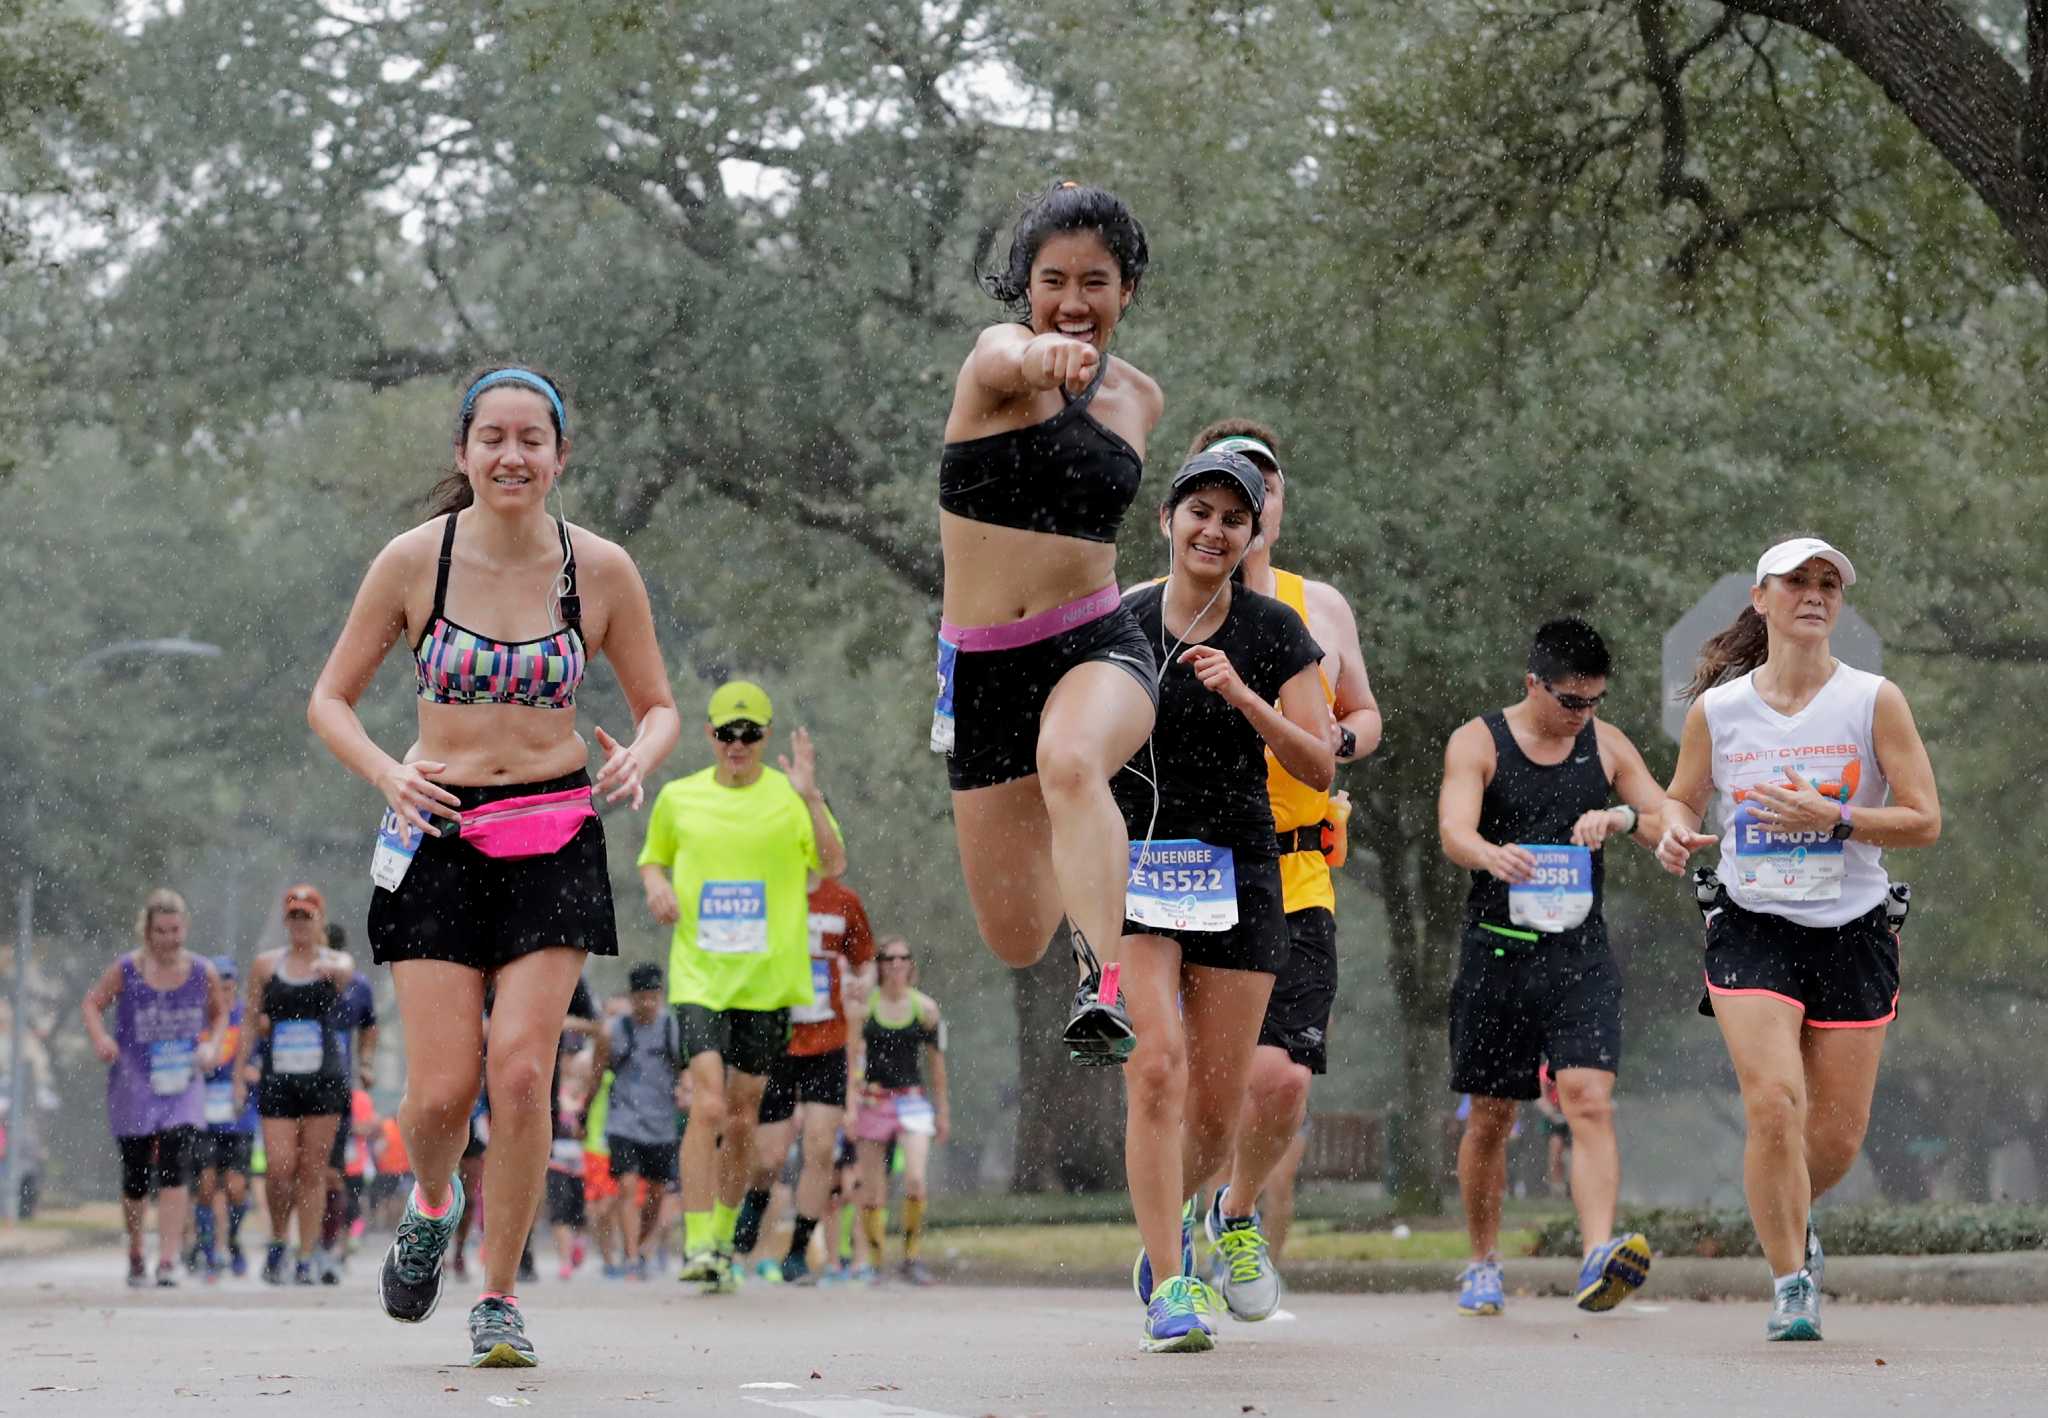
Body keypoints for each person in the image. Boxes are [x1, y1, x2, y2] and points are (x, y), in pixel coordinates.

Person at [308, 362, 681, 1367]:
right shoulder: (411, 562)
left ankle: (501, 1295)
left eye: (532, 439)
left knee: (520, 1073)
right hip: (436, 830)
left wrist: (643, 752)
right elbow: (329, 699)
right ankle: (434, 1202)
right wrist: (390, 772)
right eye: (493, 438)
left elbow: (657, 703)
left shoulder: (597, 570)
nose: (512, 455)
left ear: (560, 456)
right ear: (464, 452)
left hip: (554, 831)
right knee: (438, 1093)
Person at [1656, 537, 1940, 1341]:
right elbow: (1680, 799)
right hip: (1752, 926)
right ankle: (1790, 1282)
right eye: (1797, 582)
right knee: (1775, 1104)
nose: (1814, 594)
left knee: (1837, 1138)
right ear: (1761, 598)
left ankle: (1792, 1218)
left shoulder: (1873, 700)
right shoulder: (1720, 710)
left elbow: (1924, 819)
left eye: (1828, 584)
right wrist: (1675, 832)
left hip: (1853, 929)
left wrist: (1838, 818)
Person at [935, 180, 1164, 1063]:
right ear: (1025, 289)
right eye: (1053, 281)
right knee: (1015, 935)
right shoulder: (993, 366)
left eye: (1096, 282)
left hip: (1096, 642)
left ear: (1127, 290)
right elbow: (1004, 356)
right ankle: (1079, 913)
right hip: (986, 672)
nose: (1074, 303)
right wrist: (1042, 362)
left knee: (1071, 761)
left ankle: (1105, 984)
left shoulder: (1141, 399)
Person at [1112, 451, 1333, 1353]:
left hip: (1240, 872)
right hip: (1137, 867)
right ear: (1166, 518)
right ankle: (1171, 1284)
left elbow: (1319, 765)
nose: (1214, 531)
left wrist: (1244, 696)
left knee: (1214, 1107)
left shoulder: (1275, 628)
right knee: (1154, 1067)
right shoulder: (1116, 622)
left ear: (1251, 536)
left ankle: (1181, 1225)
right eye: (1198, 511)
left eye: (1233, 520)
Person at [1183, 420, 1382, 1323]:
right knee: (1192, 1080)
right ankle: (1175, 1236)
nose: (1248, 502)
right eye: (1227, 486)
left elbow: (1365, 714)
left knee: (1282, 1080)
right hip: (1191, 866)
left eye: (1265, 484)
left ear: (1277, 505)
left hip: (1295, 867)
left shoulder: (1318, 606)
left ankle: (1234, 1214)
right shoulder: (1163, 604)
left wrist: (1335, 738)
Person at [1437, 618, 1668, 1318]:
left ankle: (1598, 1254)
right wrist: (1488, 854)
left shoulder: (1606, 746)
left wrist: (1623, 820)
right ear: (1531, 682)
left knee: (1589, 1100)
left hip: (1579, 953)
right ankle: (1481, 1260)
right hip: (1498, 952)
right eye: (1570, 701)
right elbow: (1453, 829)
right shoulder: (1479, 742)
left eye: (1594, 701)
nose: (1583, 715)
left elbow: (1667, 817)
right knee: (1491, 1117)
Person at [638, 680, 846, 1290]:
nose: (737, 744)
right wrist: (655, 885)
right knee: (706, 1104)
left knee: (742, 1115)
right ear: (708, 735)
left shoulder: (790, 797)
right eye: (727, 733)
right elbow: (654, 856)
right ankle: (698, 1244)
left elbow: (831, 864)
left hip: (767, 984)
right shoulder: (679, 798)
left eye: (749, 733)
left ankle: (724, 1242)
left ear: (765, 736)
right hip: (700, 976)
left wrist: (810, 798)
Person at [80, 888, 226, 1288]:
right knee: (136, 1173)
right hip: (134, 1082)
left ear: (185, 928)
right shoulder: (126, 969)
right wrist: (101, 1040)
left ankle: (167, 1258)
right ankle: (135, 1250)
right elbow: (92, 1002)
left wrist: (212, 1043)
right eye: (161, 930)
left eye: (175, 929)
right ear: (147, 930)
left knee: (175, 1166)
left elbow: (219, 1013)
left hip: (182, 1082)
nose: (169, 938)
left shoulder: (201, 971)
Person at [740, 871, 876, 1284]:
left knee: (819, 1150)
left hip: (827, 1042)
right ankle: (751, 1208)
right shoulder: (766, 889)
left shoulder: (843, 899)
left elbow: (864, 959)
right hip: (777, 1039)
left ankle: (798, 1251)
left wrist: (860, 983)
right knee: (769, 1158)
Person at [236, 885, 357, 1286]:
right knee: (279, 1167)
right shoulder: (266, 966)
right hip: (279, 1078)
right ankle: (276, 1240)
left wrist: (332, 969)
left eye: (308, 916)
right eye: (295, 916)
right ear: (286, 921)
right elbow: (252, 1020)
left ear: (320, 920)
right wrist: (240, 1073)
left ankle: (306, 1254)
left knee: (313, 1169)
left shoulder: (333, 962)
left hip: (323, 1079)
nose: (301, 924)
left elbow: (346, 970)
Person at [850, 937, 949, 1286]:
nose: (895, 965)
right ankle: (875, 1262)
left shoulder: (925, 1010)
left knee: (916, 1179)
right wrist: (850, 1107)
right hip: (874, 1101)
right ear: (879, 965)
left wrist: (942, 1112)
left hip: (912, 1101)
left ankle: (911, 1257)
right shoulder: (866, 1007)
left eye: (902, 958)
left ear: (911, 965)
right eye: (888, 959)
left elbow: (937, 1065)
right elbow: (851, 1060)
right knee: (873, 1191)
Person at [592, 963, 683, 1279]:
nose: (647, 1004)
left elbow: (685, 1070)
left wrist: (687, 1091)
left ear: (660, 995)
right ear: (632, 997)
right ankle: (631, 1256)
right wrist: (584, 1112)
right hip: (623, 1122)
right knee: (628, 1186)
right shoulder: (617, 1030)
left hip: (661, 1125)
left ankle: (642, 1247)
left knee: (657, 1194)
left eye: (653, 997)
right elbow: (597, 1071)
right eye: (641, 997)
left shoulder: (673, 1027)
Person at [318, 922, 378, 1282]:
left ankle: (331, 1246)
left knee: (330, 1175)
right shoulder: (294, 975)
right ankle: (302, 1246)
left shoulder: (358, 986)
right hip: (290, 1087)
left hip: (335, 1089)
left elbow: (370, 1026)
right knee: (294, 1172)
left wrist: (366, 1063)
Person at [192, 954, 257, 1279]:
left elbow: (262, 1057)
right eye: (219, 985)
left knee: (235, 1188)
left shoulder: (247, 1019)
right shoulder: (197, 1019)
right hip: (202, 1117)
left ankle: (231, 1240)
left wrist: (253, 1070)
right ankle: (205, 1247)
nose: (225, 992)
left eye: (229, 985)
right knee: (205, 1186)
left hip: (237, 1116)